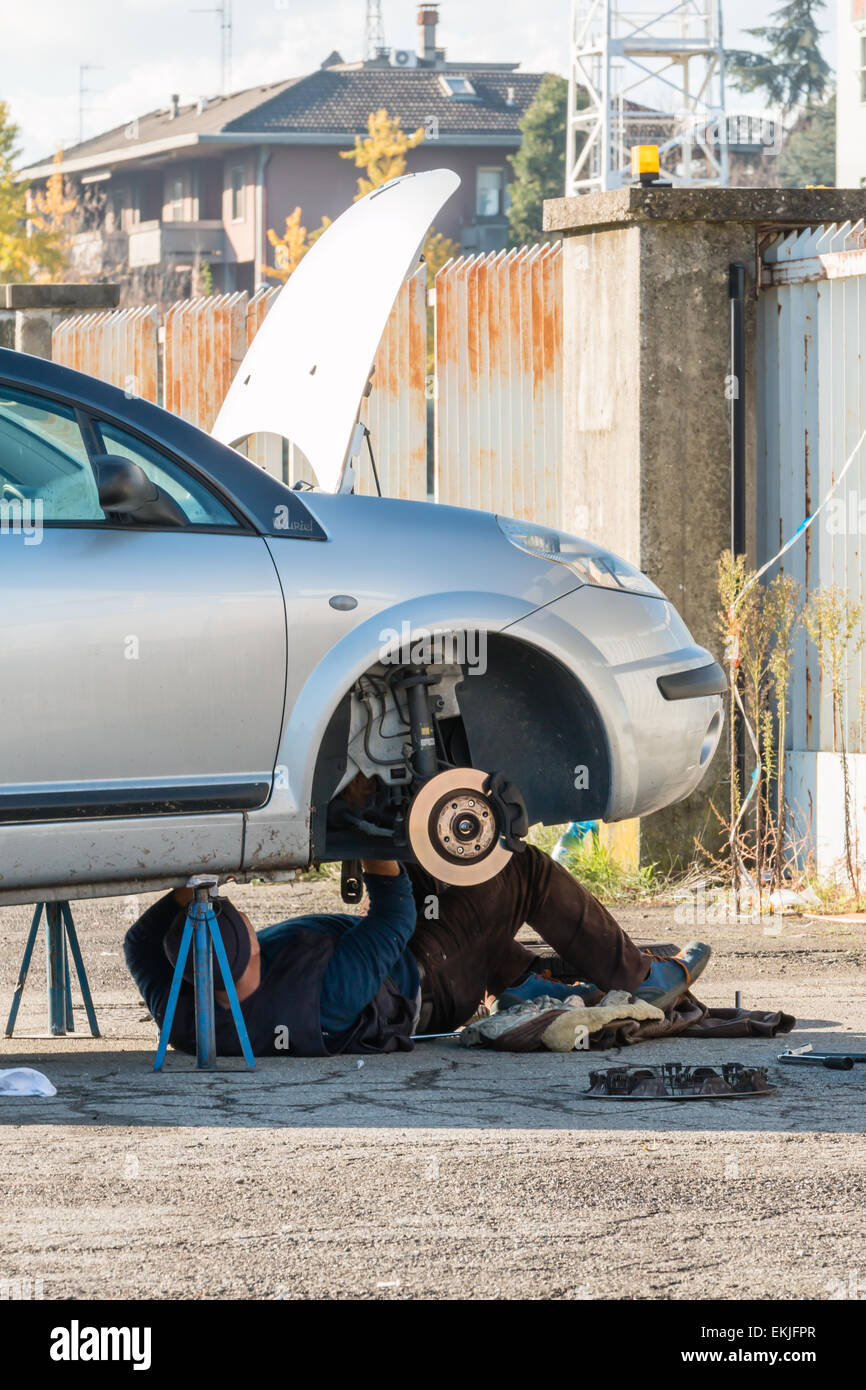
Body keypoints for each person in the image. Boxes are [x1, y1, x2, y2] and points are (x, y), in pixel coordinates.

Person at [124, 843, 710, 1058]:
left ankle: (525, 981)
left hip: (413, 964)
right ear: (251, 945)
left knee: (442, 884)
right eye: (244, 920)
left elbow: (137, 942)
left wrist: (185, 897)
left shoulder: (187, 1015)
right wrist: (372, 840)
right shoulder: (323, 992)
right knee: (520, 871)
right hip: (432, 985)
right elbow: (394, 917)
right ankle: (643, 977)